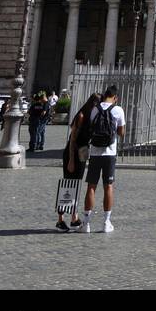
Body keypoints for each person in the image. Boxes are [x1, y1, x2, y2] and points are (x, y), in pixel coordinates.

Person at [82, 85, 126, 234]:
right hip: (110, 153)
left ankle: (86, 223)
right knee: (108, 186)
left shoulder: (95, 109)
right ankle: (106, 222)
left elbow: (90, 128)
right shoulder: (118, 110)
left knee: (91, 187)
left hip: (95, 152)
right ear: (115, 98)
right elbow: (121, 132)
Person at [57, 94, 99, 233]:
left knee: (76, 185)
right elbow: (72, 140)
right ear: (92, 104)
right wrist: (71, 160)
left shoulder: (92, 118)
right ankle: (60, 219)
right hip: (72, 153)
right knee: (68, 185)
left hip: (82, 153)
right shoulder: (81, 116)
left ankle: (74, 218)